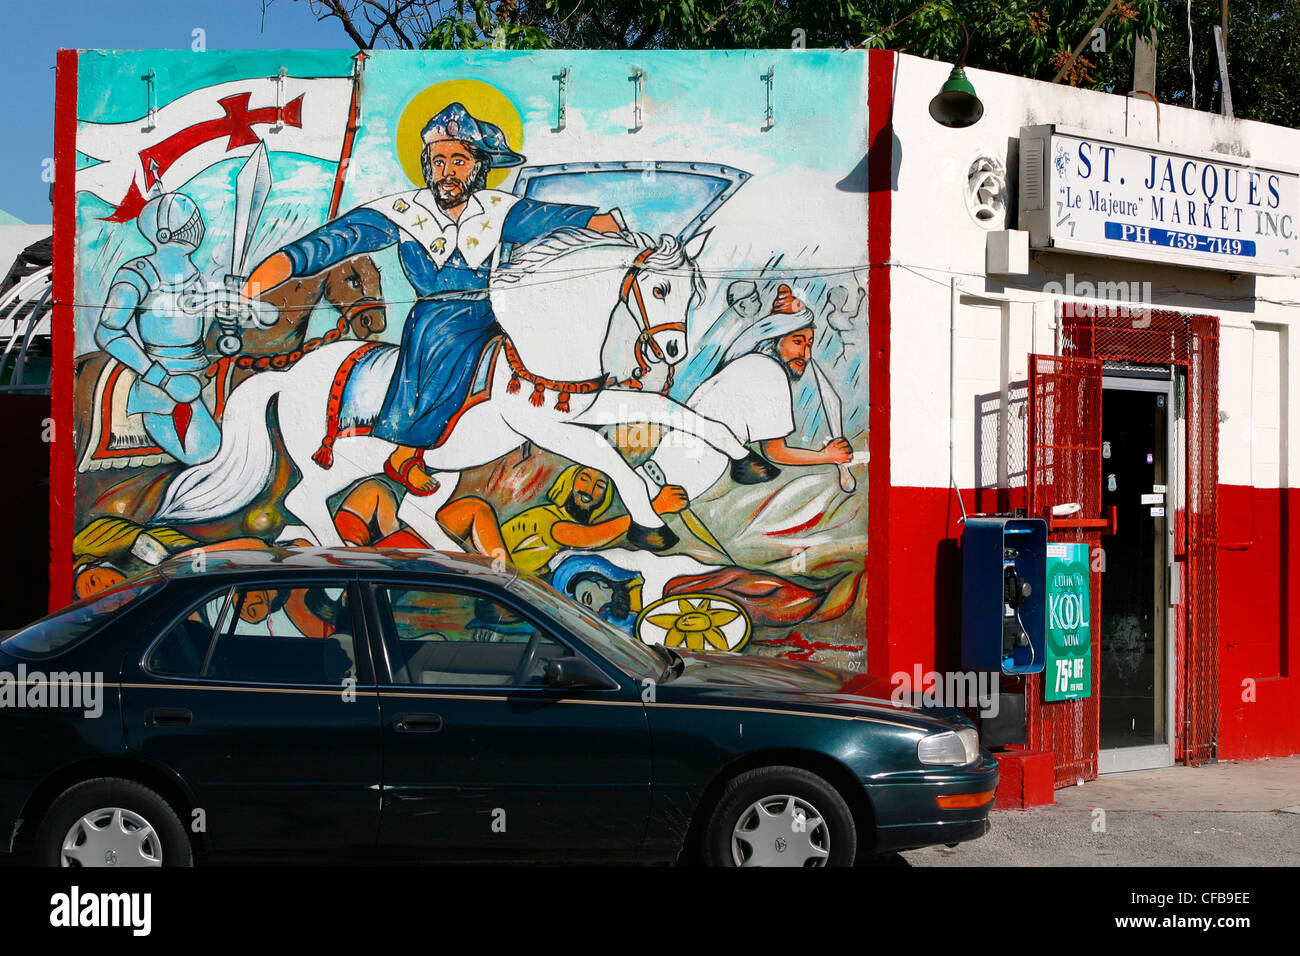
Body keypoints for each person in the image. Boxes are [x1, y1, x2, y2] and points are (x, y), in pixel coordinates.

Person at [241, 102, 624, 496]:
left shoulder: (496, 210)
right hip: (438, 316)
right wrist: (286, 262)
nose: (447, 172)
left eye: (458, 161)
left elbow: (546, 217)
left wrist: (597, 222)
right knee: (449, 335)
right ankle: (407, 450)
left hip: (491, 309)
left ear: (479, 166)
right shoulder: (405, 212)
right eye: (438, 161)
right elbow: (344, 237)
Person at [639, 284, 853, 501]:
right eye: (797, 342)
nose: (805, 354)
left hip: (676, 449)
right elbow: (775, 452)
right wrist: (826, 455)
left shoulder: (750, 363)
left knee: (642, 496)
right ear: (774, 339)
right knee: (648, 510)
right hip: (697, 461)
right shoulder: (771, 373)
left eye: (809, 344)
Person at [94, 193, 221, 465]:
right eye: (188, 222)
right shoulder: (138, 274)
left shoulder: (197, 274)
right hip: (161, 383)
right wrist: (163, 379)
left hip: (203, 372)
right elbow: (108, 332)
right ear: (162, 234)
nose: (195, 227)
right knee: (205, 452)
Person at [500, 464, 687, 575]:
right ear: (569, 480)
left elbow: (604, 542)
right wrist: (654, 507)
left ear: (605, 497)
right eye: (584, 478)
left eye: (599, 485)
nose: (589, 490)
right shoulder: (550, 518)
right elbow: (586, 537)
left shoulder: (571, 524)